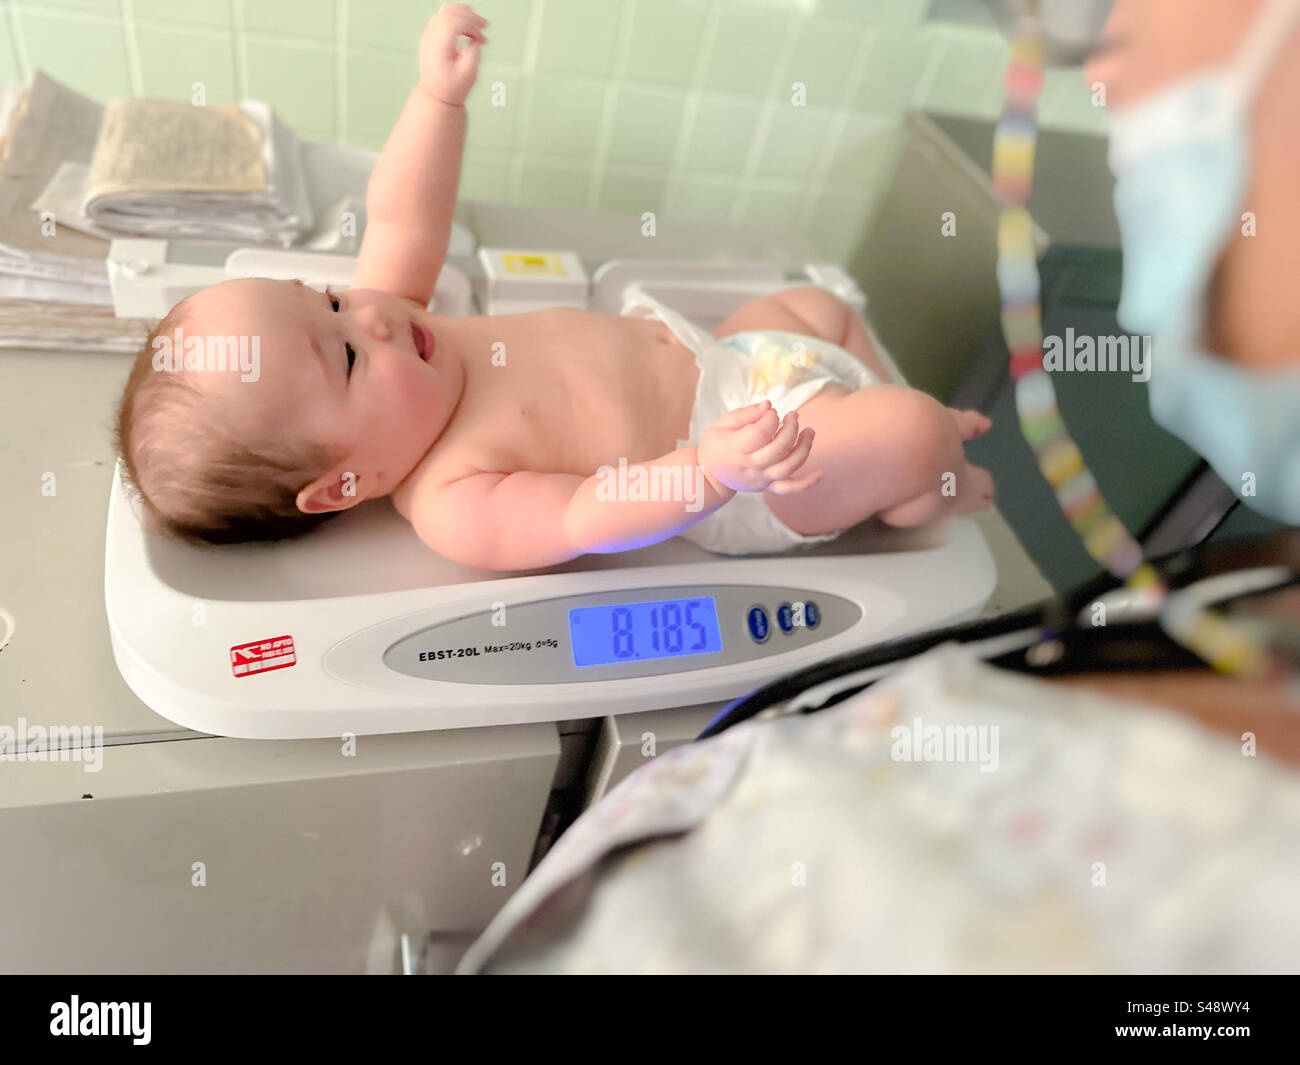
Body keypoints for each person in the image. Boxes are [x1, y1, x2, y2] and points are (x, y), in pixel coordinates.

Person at [452, 0, 1300, 974]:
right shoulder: (450, 486)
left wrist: (442, 102)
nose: (1093, 69)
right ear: (334, 485)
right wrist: (709, 471)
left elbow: (401, 219)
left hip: (728, 375)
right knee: (907, 430)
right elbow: (580, 515)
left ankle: (895, 437)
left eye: (334, 308)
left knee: (820, 308)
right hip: (738, 464)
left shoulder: (401, 318)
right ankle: (927, 477)